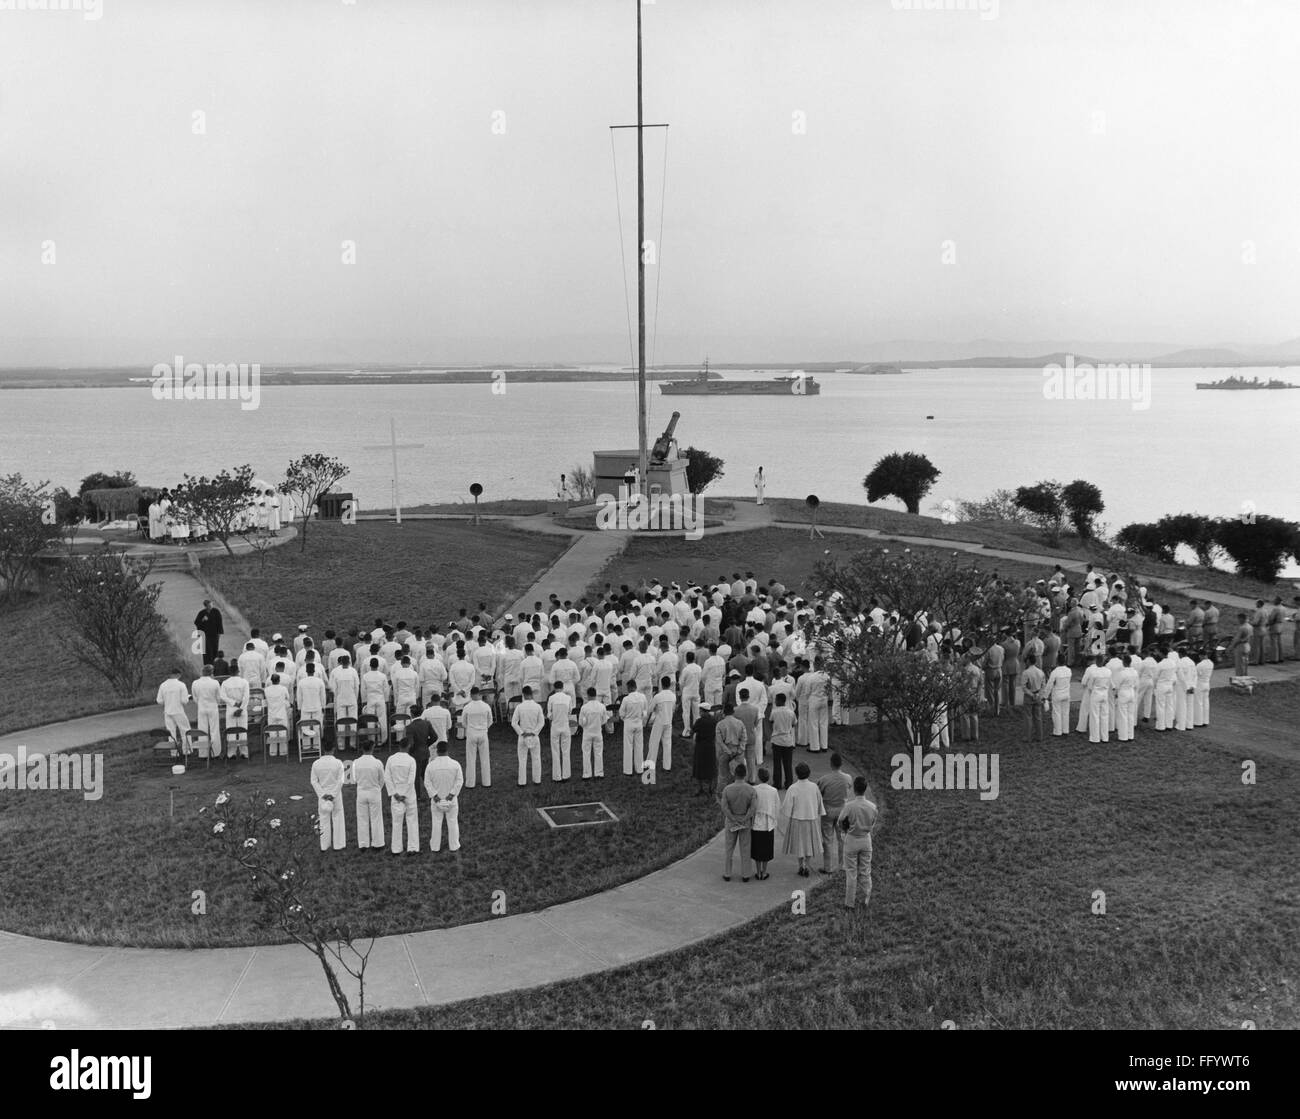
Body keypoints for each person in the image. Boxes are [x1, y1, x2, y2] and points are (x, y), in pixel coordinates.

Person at [838, 776, 879, 911]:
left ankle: (849, 903)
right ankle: (866, 898)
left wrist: (845, 830)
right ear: (865, 789)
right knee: (865, 870)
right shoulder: (872, 807)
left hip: (852, 840)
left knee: (851, 872)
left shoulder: (849, 806)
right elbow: (873, 823)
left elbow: (840, 821)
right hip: (866, 840)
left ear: (854, 789)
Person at [780, 762, 825, 877]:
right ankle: (807, 864)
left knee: (800, 844)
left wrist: (788, 813)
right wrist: (819, 812)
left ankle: (801, 866)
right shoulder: (814, 786)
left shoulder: (793, 788)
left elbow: (787, 806)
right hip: (811, 818)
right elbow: (819, 801)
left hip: (797, 819)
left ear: (796, 774)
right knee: (809, 843)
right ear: (809, 773)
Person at [816, 752, 853, 875]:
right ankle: (842, 865)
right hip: (842, 811)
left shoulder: (824, 779)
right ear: (841, 764)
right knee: (842, 838)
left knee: (827, 839)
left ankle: (828, 867)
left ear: (831, 764)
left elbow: (819, 793)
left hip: (828, 811)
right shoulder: (848, 778)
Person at [424, 740, 464, 853]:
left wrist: (434, 796)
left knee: (436, 823)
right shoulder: (455, 764)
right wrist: (452, 794)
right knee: (452, 822)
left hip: (436, 800)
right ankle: (454, 845)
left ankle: (435, 847)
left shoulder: (430, 765)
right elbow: (459, 781)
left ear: (437, 751)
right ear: (447, 750)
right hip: (451, 800)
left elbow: (427, 782)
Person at [720, 764, 757, 882]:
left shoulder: (727, 789)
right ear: (745, 775)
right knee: (745, 848)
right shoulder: (751, 790)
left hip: (731, 821)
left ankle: (727, 873)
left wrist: (733, 818)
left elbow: (724, 807)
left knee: (729, 848)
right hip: (745, 822)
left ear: (735, 774)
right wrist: (745, 818)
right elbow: (753, 808)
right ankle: (745, 874)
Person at [384, 738, 420, 855]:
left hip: (396, 795)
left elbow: (387, 778)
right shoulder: (411, 760)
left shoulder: (391, 759)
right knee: (412, 820)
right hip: (409, 794)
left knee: (396, 822)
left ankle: (396, 848)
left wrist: (395, 794)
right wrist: (404, 794)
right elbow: (411, 780)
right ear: (408, 746)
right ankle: (413, 847)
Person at [310, 742, 347, 852]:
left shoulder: (316, 763)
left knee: (324, 819)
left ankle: (324, 846)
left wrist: (322, 794)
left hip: (323, 795)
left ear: (322, 749)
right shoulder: (338, 763)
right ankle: (338, 845)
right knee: (338, 818)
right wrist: (333, 794)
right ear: (333, 749)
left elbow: (313, 781)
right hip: (335, 795)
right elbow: (341, 780)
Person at [352, 740, 386, 851]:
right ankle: (378, 843)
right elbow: (382, 779)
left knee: (362, 818)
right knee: (376, 819)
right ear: (372, 748)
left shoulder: (356, 762)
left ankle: (363, 844)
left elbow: (354, 779)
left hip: (361, 792)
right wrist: (377, 788)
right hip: (374, 792)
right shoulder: (377, 762)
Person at [461, 686, 494, 788]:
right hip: (483, 733)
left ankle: (470, 783)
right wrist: (484, 728)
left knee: (470, 759)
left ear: (471, 695)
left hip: (471, 733)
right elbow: (490, 721)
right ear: (479, 694)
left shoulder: (467, 707)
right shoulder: (486, 706)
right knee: (485, 759)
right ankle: (486, 782)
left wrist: (470, 729)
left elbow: (463, 722)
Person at [512, 684, 545, 785]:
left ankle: (522, 782)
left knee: (522, 759)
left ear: (523, 694)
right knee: (536, 758)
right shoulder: (538, 706)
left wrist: (522, 733)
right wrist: (534, 732)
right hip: (534, 736)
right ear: (531, 694)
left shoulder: (519, 707)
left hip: (523, 736)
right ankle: (537, 780)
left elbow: (513, 722)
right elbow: (541, 722)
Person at [751, 767, 780, 880]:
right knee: (767, 850)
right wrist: (775, 819)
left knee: (757, 849)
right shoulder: (773, 791)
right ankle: (765, 871)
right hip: (768, 823)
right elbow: (777, 806)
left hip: (756, 823)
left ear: (758, 777)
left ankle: (758, 872)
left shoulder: (754, 789)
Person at [191, 665, 223, 759]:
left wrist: (200, 703)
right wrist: (216, 703)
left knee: (202, 729)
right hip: (212, 707)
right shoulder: (215, 682)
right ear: (211, 672)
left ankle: (203, 753)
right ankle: (215, 752)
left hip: (201, 707)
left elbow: (195, 697)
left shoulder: (195, 683)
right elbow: (218, 698)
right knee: (214, 729)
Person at [618, 678, 648, 775]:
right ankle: (639, 769)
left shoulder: (626, 699)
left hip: (629, 723)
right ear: (636, 687)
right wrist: (641, 718)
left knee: (628, 747)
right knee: (639, 746)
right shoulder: (643, 697)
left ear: (628, 688)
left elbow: (621, 713)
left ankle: (628, 770)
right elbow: (645, 711)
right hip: (639, 723)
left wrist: (626, 719)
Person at [715, 703, 746, 796]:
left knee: (722, 775)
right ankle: (738, 794)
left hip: (724, 752)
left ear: (724, 712)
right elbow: (744, 738)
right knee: (738, 775)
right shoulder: (740, 723)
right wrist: (740, 750)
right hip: (737, 752)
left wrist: (728, 751)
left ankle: (721, 794)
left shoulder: (720, 724)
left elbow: (719, 741)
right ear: (733, 712)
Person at [156, 669, 191, 749]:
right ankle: (187, 750)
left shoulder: (163, 685)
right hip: (178, 711)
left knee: (171, 733)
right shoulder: (181, 684)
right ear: (178, 674)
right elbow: (184, 701)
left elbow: (159, 701)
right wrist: (188, 697)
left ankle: (174, 752)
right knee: (185, 730)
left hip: (167, 712)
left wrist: (168, 700)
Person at [546, 680, 574, 782]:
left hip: (555, 726)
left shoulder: (551, 698)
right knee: (566, 751)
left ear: (554, 688)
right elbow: (570, 711)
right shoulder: (568, 698)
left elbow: (549, 715)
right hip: (565, 726)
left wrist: (554, 716)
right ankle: (566, 775)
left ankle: (557, 776)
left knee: (555, 751)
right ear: (563, 688)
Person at [406, 702, 434, 801]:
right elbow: (434, 737)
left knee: (416, 776)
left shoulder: (410, 727)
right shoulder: (427, 723)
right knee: (425, 774)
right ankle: (432, 792)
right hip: (425, 752)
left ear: (412, 714)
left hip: (415, 754)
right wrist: (426, 745)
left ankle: (417, 796)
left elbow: (411, 744)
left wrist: (409, 753)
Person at [578, 687, 607, 780]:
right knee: (598, 753)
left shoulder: (584, 707)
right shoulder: (602, 706)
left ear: (588, 695)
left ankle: (587, 774)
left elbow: (581, 723)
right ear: (596, 694)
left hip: (587, 733)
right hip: (598, 732)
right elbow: (604, 720)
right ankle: (599, 773)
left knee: (586, 753)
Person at [769, 691, 796, 789]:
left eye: (776, 700)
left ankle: (777, 783)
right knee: (788, 763)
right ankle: (788, 783)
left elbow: (771, 721)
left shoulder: (774, 712)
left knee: (777, 764)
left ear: (780, 701)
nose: (775, 701)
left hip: (777, 740)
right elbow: (794, 723)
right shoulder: (790, 712)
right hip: (788, 740)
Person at [690, 702, 718, 795]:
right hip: (711, 746)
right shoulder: (714, 721)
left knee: (699, 768)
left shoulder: (699, 721)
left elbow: (692, 731)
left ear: (703, 711)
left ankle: (700, 788)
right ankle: (710, 788)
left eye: (700, 711)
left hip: (700, 747)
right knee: (710, 767)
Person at [1020, 652, 1046, 743]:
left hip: (1029, 696)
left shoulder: (1026, 673)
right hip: (1038, 695)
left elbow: (1023, 687)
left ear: (1028, 661)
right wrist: (1039, 695)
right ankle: (1039, 736)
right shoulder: (1041, 672)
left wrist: (1031, 694)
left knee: (1028, 717)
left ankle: (1028, 737)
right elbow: (1043, 686)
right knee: (1038, 717)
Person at [1114, 654, 1138, 742]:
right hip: (1131, 692)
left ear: (1124, 662)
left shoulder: (1122, 673)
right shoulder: (1134, 672)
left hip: (1124, 693)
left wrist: (1115, 694)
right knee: (1130, 715)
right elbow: (1136, 683)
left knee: (1123, 715)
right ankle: (1130, 735)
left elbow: (1117, 686)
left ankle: (1123, 736)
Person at [1045, 659, 1072, 737]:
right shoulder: (1069, 670)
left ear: (1057, 662)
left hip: (1057, 694)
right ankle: (1065, 730)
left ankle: (1057, 731)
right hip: (1066, 694)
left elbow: (1049, 684)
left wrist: (1045, 696)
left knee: (1057, 713)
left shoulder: (1055, 672)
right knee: (1065, 713)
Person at [193, 600, 223, 666]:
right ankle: (207, 665)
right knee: (206, 650)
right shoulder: (202, 613)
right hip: (205, 635)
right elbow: (196, 623)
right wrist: (202, 620)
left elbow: (219, 623)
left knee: (214, 649)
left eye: (211, 605)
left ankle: (214, 665)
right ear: (206, 606)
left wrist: (219, 633)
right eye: (209, 605)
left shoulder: (216, 611)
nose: (211, 606)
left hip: (214, 634)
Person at [1227, 613, 1252, 678]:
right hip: (1247, 645)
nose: (1238, 620)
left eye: (1238, 619)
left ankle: (1240, 679)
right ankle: (1245, 677)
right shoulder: (1250, 626)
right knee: (1245, 664)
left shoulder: (1242, 628)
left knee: (1239, 665)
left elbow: (1236, 639)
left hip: (1240, 646)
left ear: (1242, 618)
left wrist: (1230, 647)